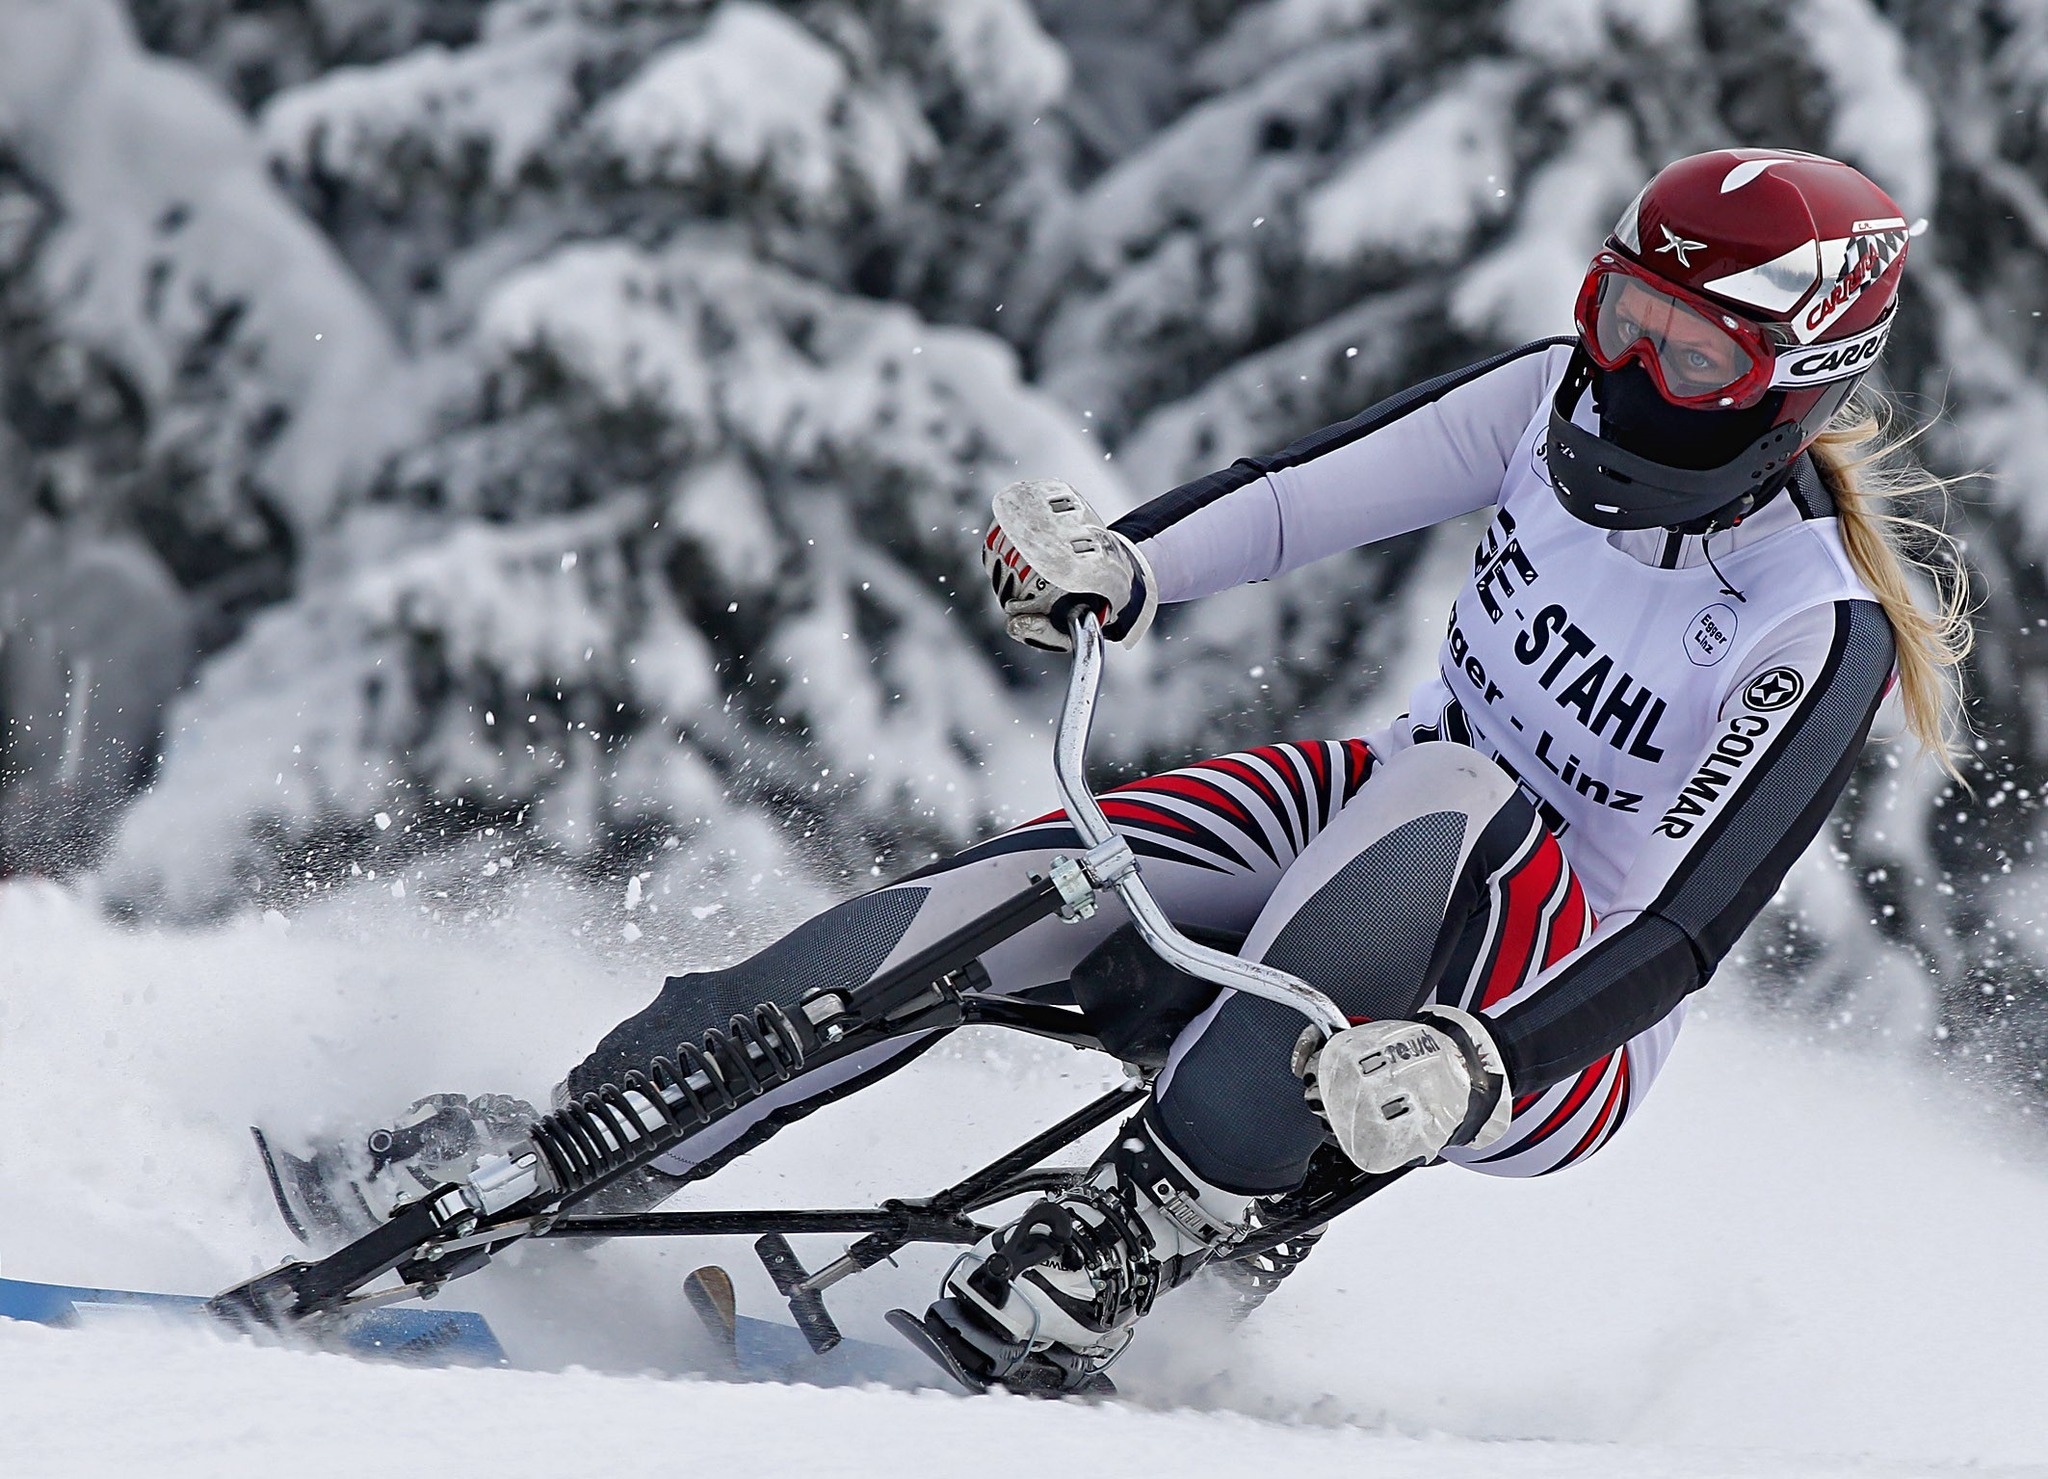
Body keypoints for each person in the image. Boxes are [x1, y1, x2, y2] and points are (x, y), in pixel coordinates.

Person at [304, 148, 1971, 1393]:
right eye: (1619, 316)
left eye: (1692, 355)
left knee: (1448, 793)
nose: (1626, 378)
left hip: (1552, 1018)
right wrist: (1124, 565)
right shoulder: (1545, 400)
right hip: (1385, 834)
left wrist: (1484, 1059)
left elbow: (1680, 936)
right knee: (1020, 893)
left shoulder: (1806, 624)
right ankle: (583, 1139)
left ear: (1794, 382)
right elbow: (1303, 493)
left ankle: (1140, 1234)